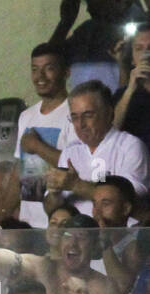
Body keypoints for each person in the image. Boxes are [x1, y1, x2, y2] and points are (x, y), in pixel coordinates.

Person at [46, 80, 150, 218]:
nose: (80, 124)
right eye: (74, 117)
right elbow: (50, 209)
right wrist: (54, 192)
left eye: (88, 115)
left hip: (119, 236)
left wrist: (76, 185)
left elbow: (127, 201)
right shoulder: (70, 151)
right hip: (76, 237)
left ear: (108, 113)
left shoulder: (130, 146)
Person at [19, 42, 77, 228]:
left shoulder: (75, 113)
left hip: (60, 223)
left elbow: (77, 167)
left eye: (49, 69)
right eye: (35, 69)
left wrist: (37, 146)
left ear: (66, 72)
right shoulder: (26, 116)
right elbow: (18, 169)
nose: (40, 76)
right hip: (27, 222)